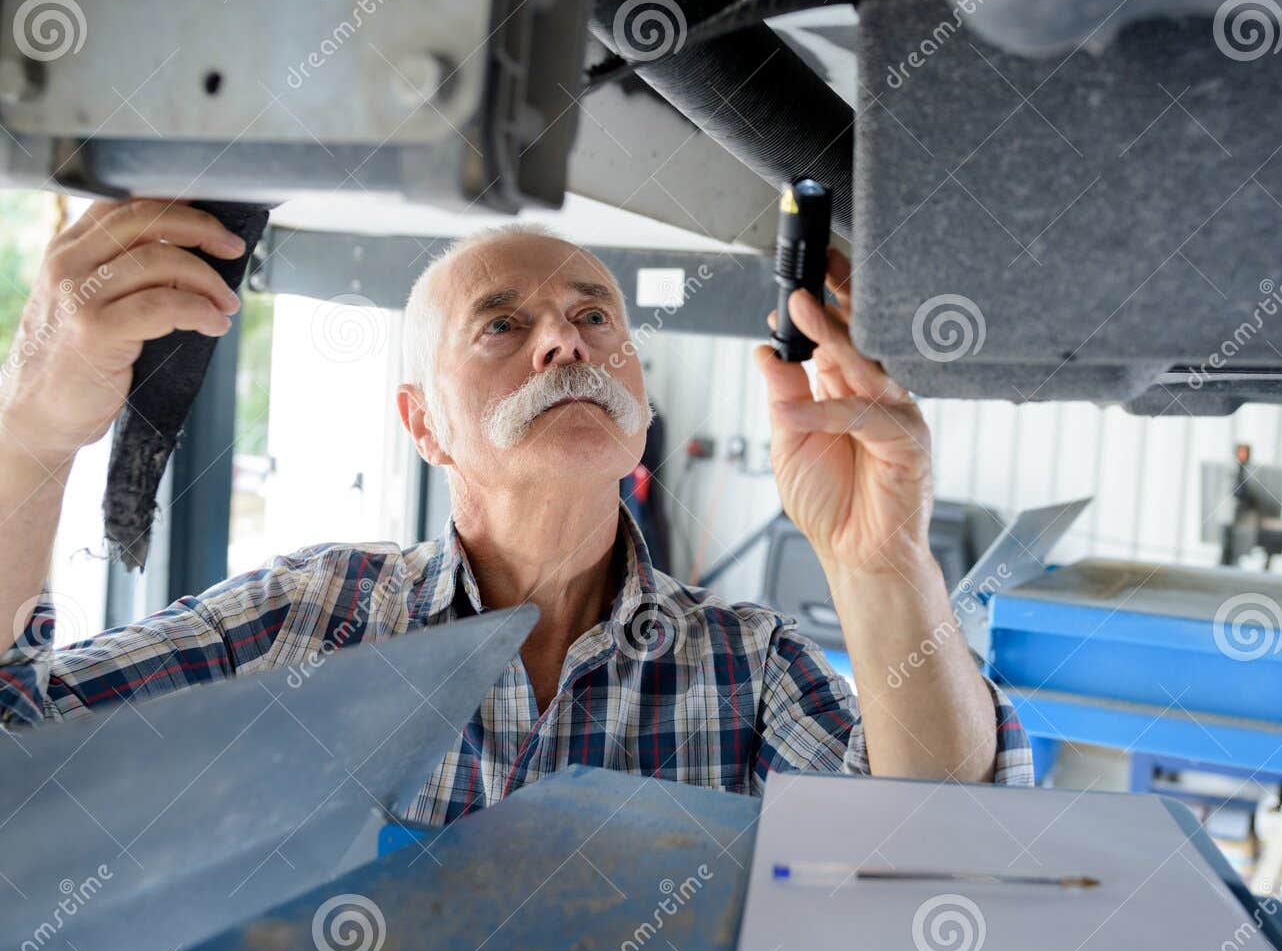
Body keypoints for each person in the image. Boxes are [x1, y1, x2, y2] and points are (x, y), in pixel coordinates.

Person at [0, 199, 1031, 825]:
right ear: (424, 425)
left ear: (640, 403)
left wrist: (882, 564)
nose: (565, 342)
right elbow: (19, 754)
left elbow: (937, 853)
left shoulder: (744, 668)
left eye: (594, 316)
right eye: (501, 325)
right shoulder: (305, 622)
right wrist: (33, 440)